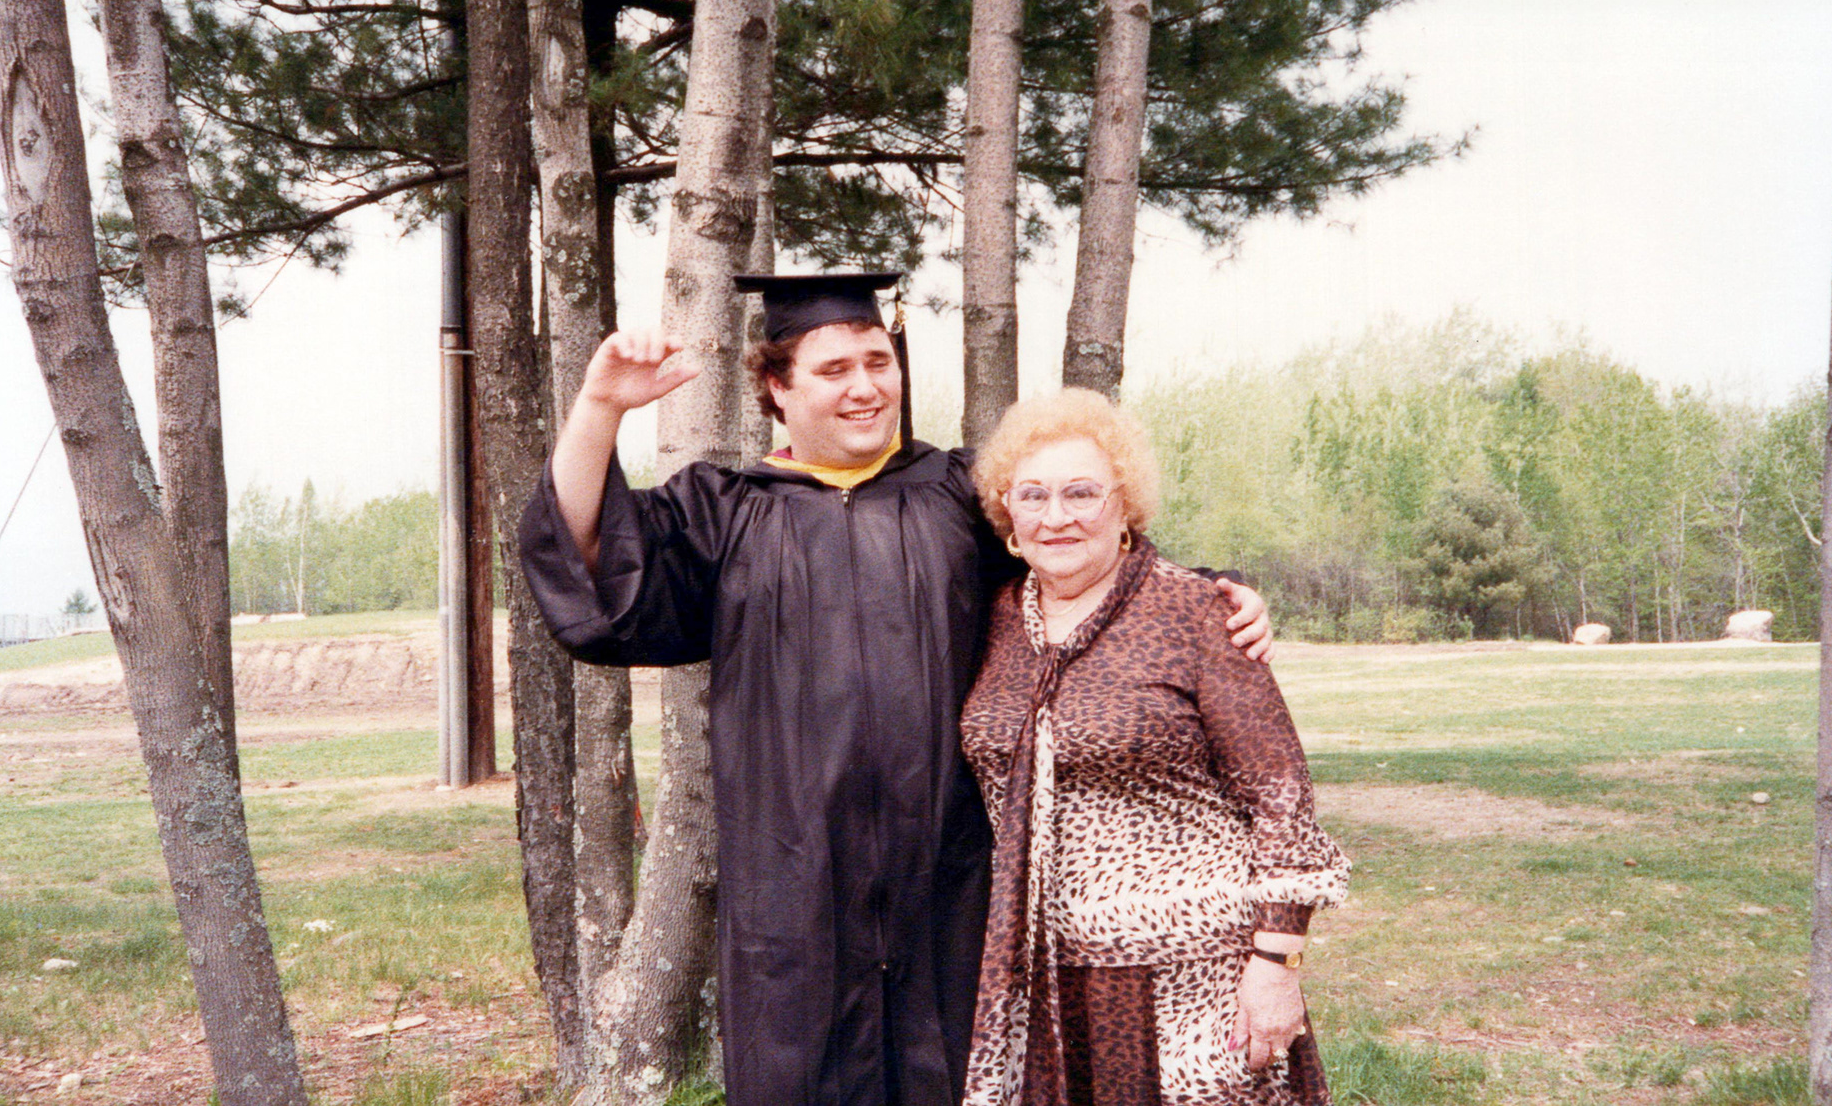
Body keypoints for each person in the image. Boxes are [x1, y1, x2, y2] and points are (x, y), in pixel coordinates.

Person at [517, 273, 1272, 1106]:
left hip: (950, 886)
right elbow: (587, 563)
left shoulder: (956, 494)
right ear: (777, 387)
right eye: (834, 369)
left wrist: (1211, 598)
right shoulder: (724, 513)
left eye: (878, 361)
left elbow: (1089, 563)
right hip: (793, 896)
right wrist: (599, 408)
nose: (866, 386)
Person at [959, 388, 1348, 1106]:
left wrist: (1277, 961)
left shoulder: (1198, 612)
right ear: (1005, 510)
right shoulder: (992, 620)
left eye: (1082, 492)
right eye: (1033, 494)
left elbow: (1282, 800)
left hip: (1196, 971)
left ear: (1125, 502)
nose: (1057, 515)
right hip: (1051, 974)